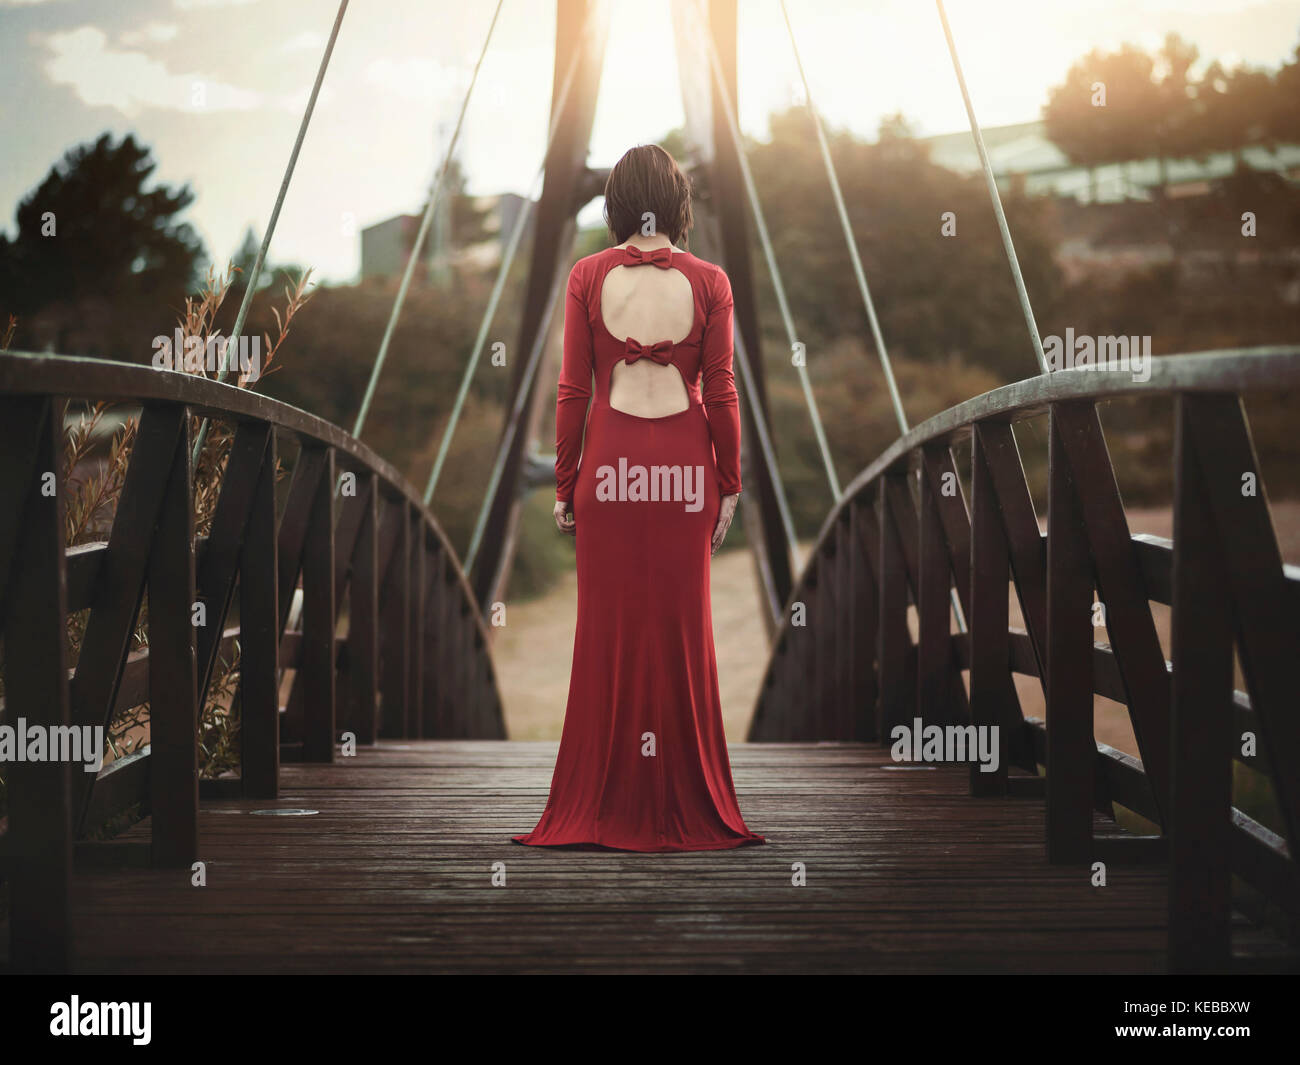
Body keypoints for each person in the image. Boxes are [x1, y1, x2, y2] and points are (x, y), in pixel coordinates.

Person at [512, 144, 765, 851]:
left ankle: (602, 799)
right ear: (679, 206)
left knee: (607, 632)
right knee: (683, 630)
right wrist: (728, 484)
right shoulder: (711, 280)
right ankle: (684, 798)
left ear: (614, 205)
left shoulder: (587, 275)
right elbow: (720, 391)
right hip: (684, 467)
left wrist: (565, 483)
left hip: (611, 467)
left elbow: (573, 391)